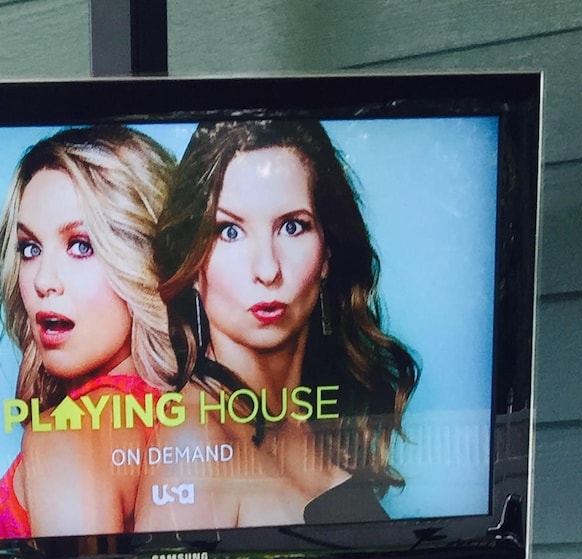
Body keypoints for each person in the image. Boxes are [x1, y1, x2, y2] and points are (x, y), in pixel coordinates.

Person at [139, 115, 419, 530]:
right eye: (229, 232)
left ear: (327, 254)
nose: (267, 269)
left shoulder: (316, 417)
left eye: (292, 226)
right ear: (193, 263)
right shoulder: (196, 439)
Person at [0, 124, 175, 540]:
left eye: (80, 245)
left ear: (146, 258)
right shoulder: (184, 415)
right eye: (30, 247)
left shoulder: (68, 436)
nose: (44, 280)